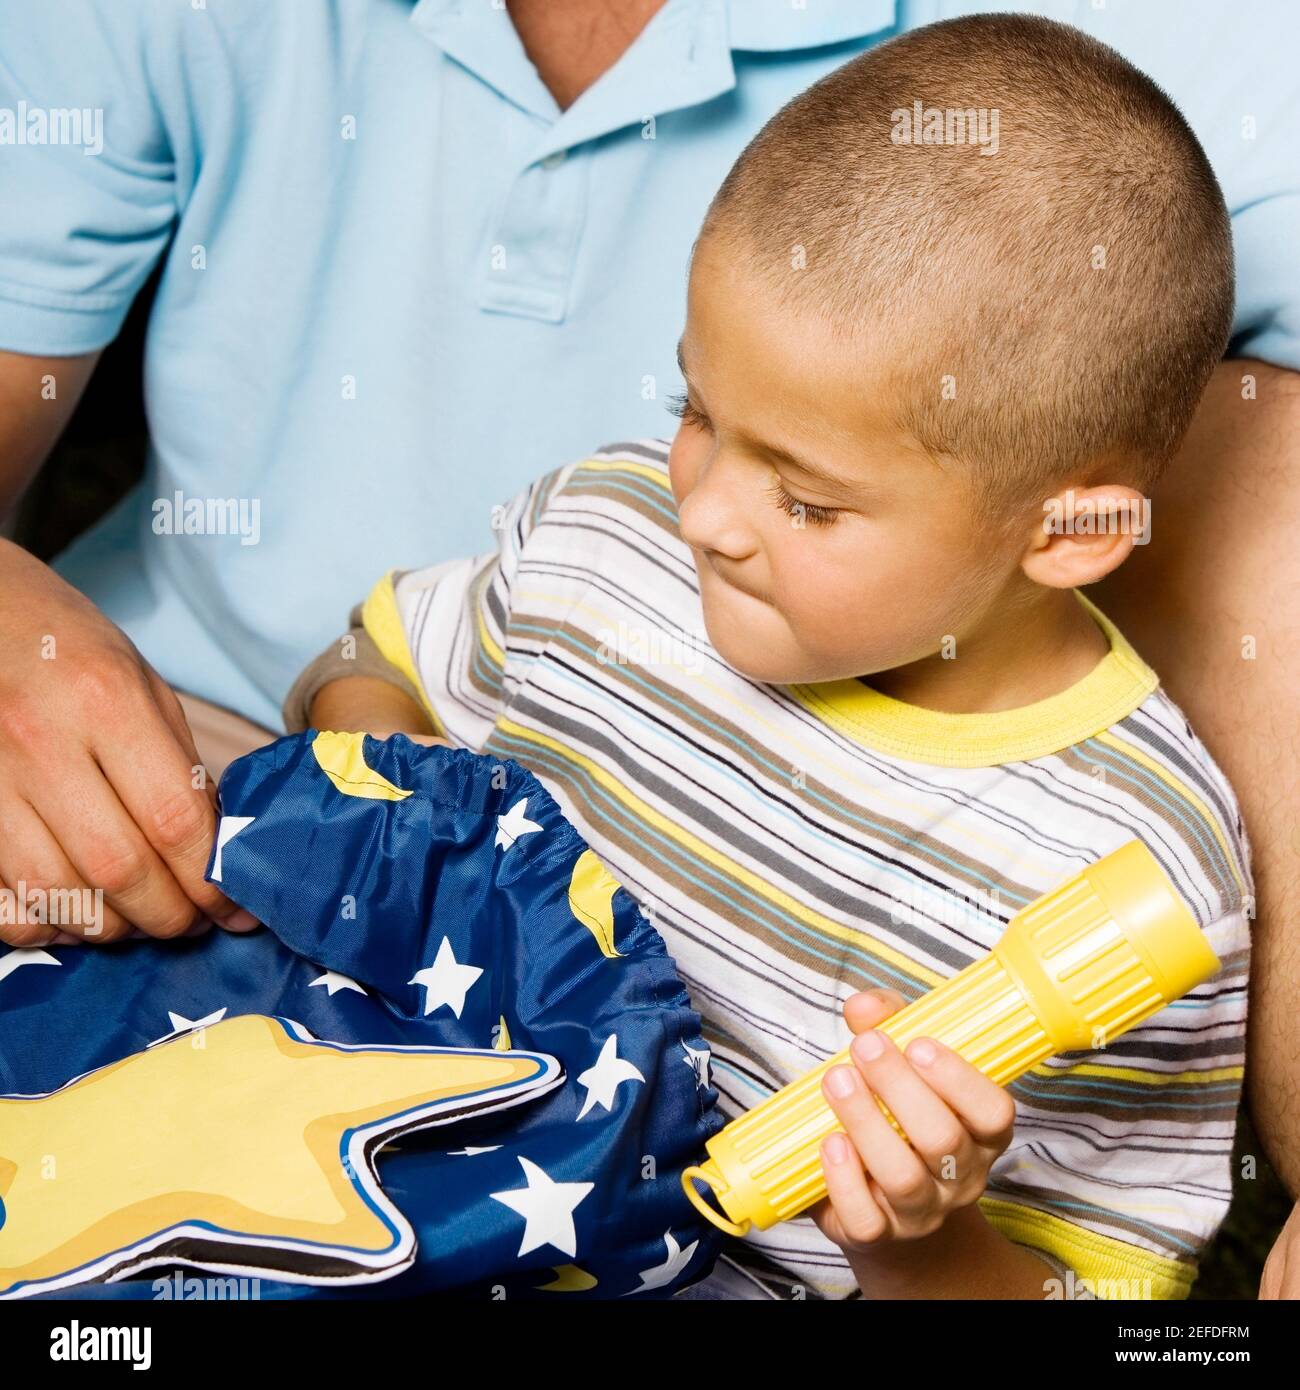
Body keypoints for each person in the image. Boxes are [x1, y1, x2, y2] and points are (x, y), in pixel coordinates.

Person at [0, 0, 1296, 1298]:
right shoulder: (611, 538)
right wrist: (379, 772)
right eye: (696, 407)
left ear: (1070, 532)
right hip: (392, 1156)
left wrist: (920, 1235)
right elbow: (378, 663)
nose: (708, 511)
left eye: (808, 499)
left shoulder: (1134, 870)